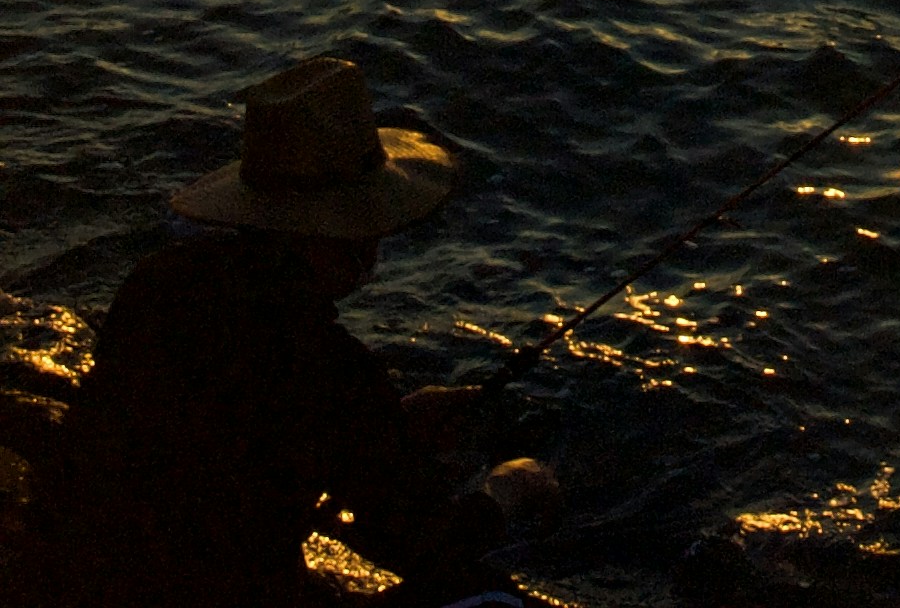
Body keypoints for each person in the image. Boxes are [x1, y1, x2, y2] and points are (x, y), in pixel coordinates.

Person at [27, 53, 559, 608]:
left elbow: (238, 438)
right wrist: (505, 495)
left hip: (71, 572)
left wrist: (391, 423)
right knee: (488, 597)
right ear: (348, 232)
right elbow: (419, 541)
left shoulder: (162, 282)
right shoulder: (325, 366)